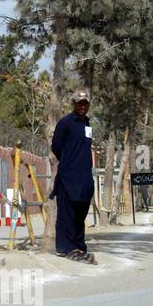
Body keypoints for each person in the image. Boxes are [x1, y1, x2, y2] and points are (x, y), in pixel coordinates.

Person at [51, 89, 95, 263]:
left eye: (85, 103)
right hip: (68, 175)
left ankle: (79, 245)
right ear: (74, 104)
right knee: (67, 212)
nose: (82, 106)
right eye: (79, 103)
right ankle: (66, 247)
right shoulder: (66, 123)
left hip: (84, 176)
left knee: (81, 212)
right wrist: (68, 162)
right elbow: (56, 146)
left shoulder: (87, 125)